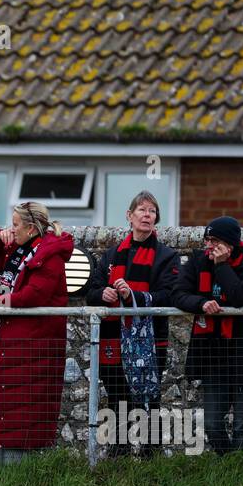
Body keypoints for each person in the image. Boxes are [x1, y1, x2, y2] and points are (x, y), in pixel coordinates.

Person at [0, 202, 76, 462]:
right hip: (5, 344)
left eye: (16, 225)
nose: (12, 229)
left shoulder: (50, 255)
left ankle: (16, 480)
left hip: (30, 345)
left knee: (21, 415)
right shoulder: (18, 249)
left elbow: (34, 295)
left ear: (31, 228)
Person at [83, 191, 181, 456]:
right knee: (117, 394)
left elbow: (168, 295)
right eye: (142, 210)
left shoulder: (166, 256)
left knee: (149, 395)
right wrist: (103, 294)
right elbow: (91, 290)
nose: (147, 215)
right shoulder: (112, 255)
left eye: (152, 211)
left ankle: (151, 452)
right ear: (129, 216)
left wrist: (132, 296)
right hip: (113, 336)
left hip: (149, 338)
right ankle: (120, 450)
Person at [174, 216, 243, 454]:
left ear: (229, 243)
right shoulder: (197, 262)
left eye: (214, 240)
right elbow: (179, 294)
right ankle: (229, 465)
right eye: (206, 239)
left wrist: (222, 266)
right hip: (212, 353)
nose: (208, 245)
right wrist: (202, 303)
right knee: (213, 423)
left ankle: (240, 477)